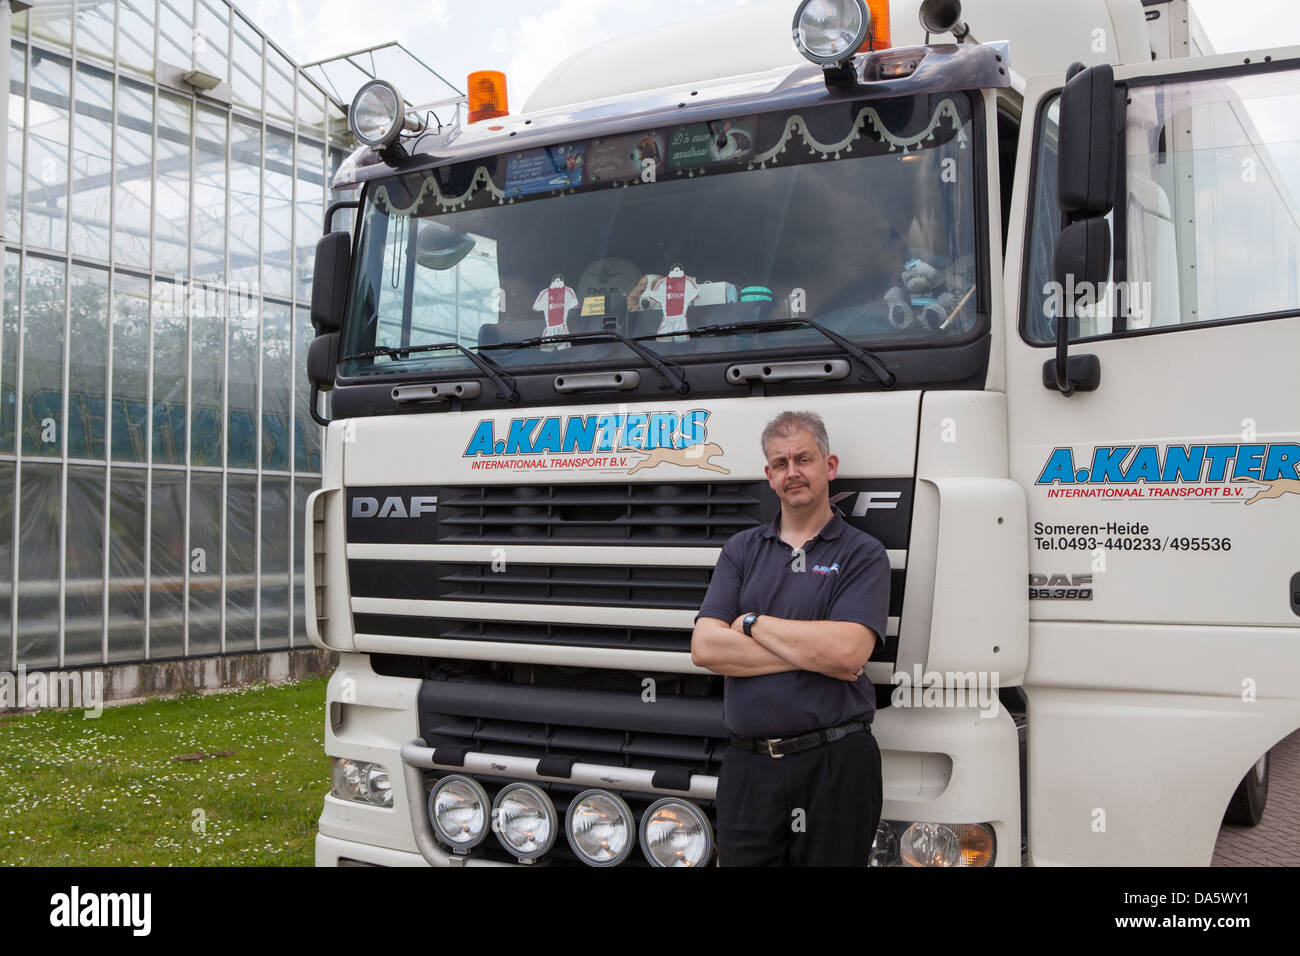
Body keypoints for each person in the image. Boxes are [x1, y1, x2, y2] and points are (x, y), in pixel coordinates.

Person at [691, 410, 890, 866]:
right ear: (768, 476)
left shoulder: (863, 553)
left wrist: (753, 624)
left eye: (803, 459)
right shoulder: (741, 550)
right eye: (780, 463)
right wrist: (813, 651)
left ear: (829, 466)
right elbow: (705, 649)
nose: (792, 472)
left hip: (835, 761)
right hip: (748, 767)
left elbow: (847, 654)